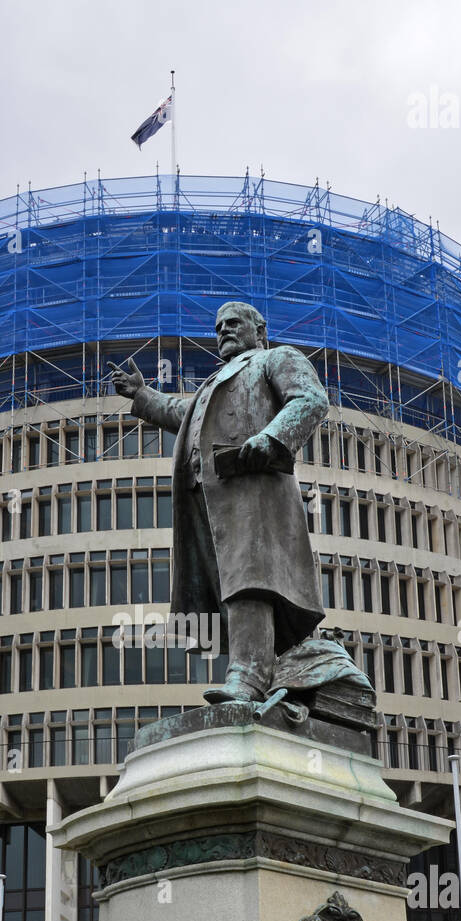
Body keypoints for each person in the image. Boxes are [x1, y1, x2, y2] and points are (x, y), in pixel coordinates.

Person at [108, 301, 329, 702]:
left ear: (259, 329)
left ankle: (249, 676)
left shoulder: (275, 358)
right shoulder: (213, 383)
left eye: (233, 323)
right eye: (218, 326)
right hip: (210, 501)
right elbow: (182, 413)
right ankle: (275, 670)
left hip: (253, 491)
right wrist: (141, 395)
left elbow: (311, 400)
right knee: (230, 587)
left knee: (251, 581)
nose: (223, 329)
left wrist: (272, 438)